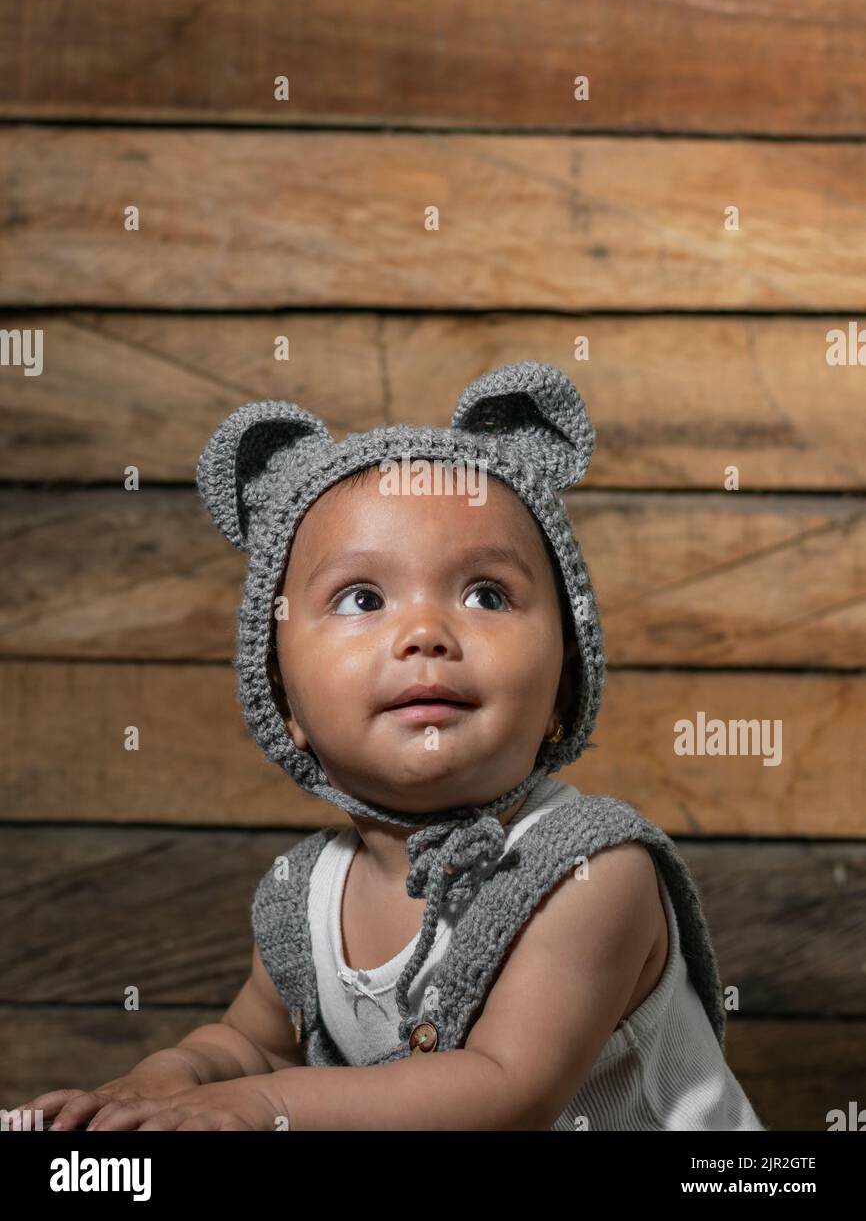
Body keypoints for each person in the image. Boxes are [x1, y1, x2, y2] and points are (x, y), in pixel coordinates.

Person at [8, 362, 765, 1131]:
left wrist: (260, 1106)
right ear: (284, 701)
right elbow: (250, 1045)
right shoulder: (305, 897)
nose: (425, 634)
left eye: (486, 595)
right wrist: (161, 1084)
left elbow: (505, 1089)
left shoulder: (590, 871)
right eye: (362, 598)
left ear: (565, 685)